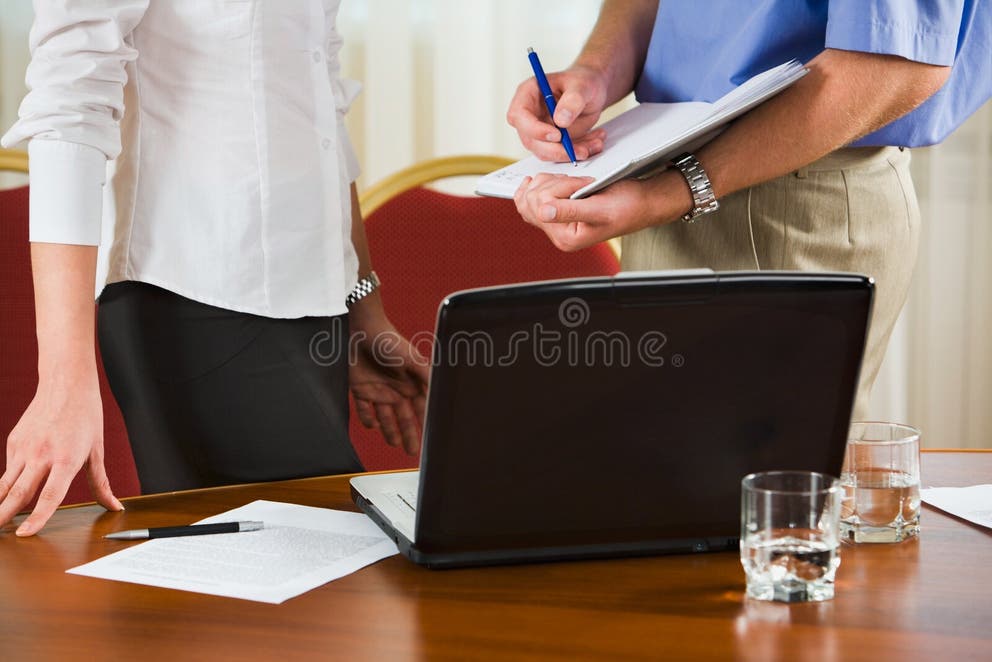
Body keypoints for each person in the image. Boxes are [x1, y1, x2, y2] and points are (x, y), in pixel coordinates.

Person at [0, 1, 427, 537]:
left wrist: (361, 306)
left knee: (290, 591)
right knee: (326, 564)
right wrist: (61, 379)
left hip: (318, 311)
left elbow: (319, 94)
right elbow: (71, 101)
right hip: (194, 295)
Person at [508, 1, 990, 421]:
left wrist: (673, 191)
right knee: (665, 477)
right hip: (668, 173)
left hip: (789, 196)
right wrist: (595, 72)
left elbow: (896, 62)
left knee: (769, 503)